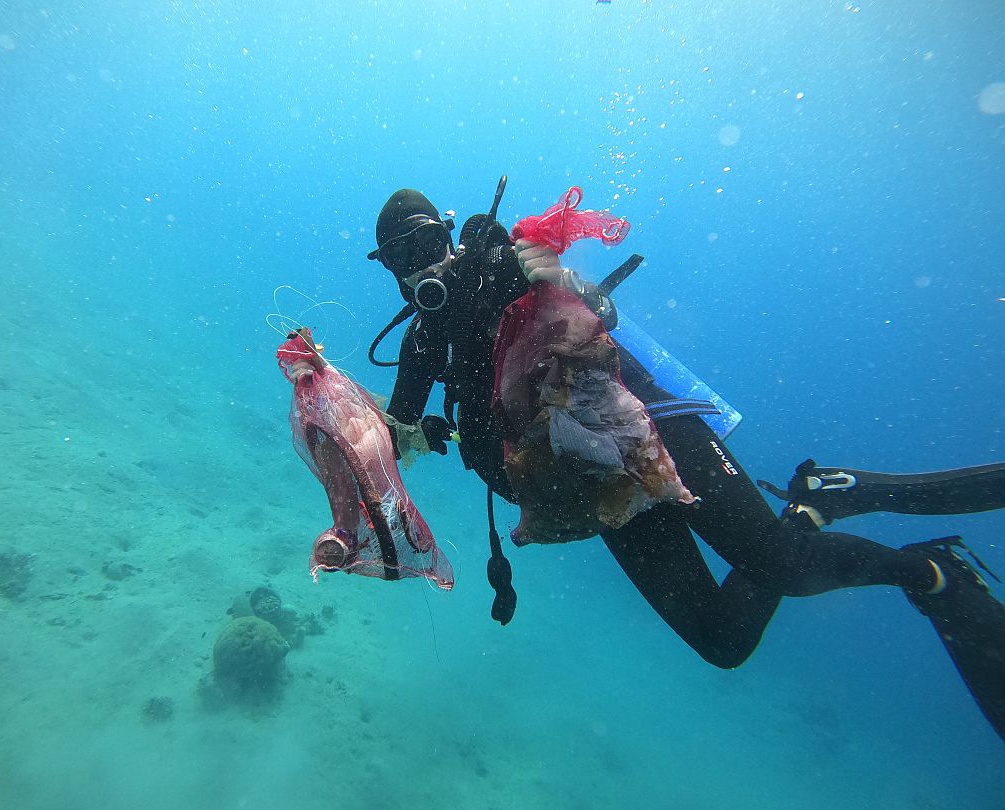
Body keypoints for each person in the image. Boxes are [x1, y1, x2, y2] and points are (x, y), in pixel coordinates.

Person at [364, 182, 1005, 742]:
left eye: (423, 245)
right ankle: (811, 504)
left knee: (781, 567)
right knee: (722, 641)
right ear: (388, 269)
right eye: (399, 259)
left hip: (654, 433)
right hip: (594, 488)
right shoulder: (423, 342)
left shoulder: (506, 261)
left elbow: (604, 312)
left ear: (448, 234)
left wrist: (556, 279)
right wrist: (332, 402)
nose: (417, 267)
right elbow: (400, 436)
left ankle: (924, 572)